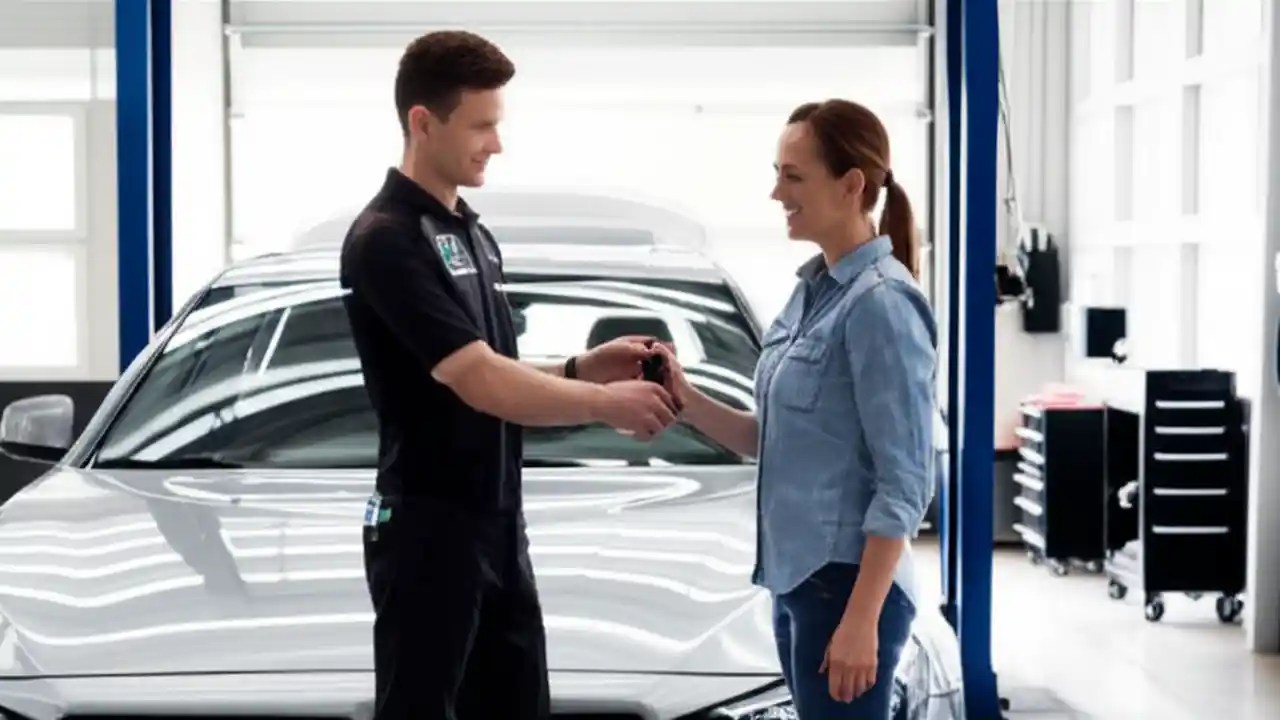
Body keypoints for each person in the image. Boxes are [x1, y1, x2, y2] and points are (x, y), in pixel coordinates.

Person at [339, 30, 680, 720]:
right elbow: (478, 381)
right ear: (422, 121)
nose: (496, 143)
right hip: (430, 530)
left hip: (496, 524)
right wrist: (603, 403)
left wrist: (584, 365)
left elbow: (492, 363)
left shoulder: (468, 231)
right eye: (482, 125)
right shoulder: (388, 240)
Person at [655, 99, 936, 719]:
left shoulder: (881, 305)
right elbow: (772, 439)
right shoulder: (811, 294)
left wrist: (861, 619)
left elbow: (907, 482)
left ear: (851, 185)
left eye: (792, 175)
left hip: (848, 588)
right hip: (799, 584)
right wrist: (683, 397)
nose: (776, 192)